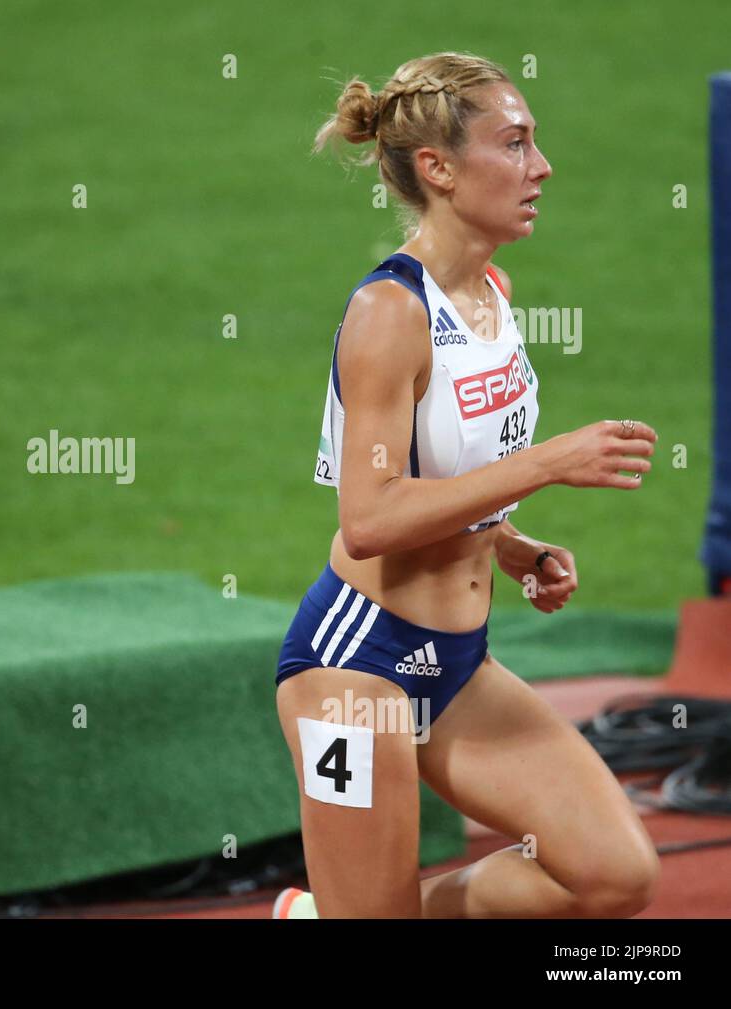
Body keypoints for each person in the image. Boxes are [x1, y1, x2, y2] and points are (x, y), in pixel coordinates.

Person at [271, 53, 660, 918]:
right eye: (515, 144)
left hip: (456, 661)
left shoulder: (491, 290)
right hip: (358, 666)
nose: (542, 166)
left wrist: (511, 545)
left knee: (613, 874)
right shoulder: (389, 316)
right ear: (439, 170)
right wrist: (548, 464)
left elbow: (443, 473)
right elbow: (369, 519)